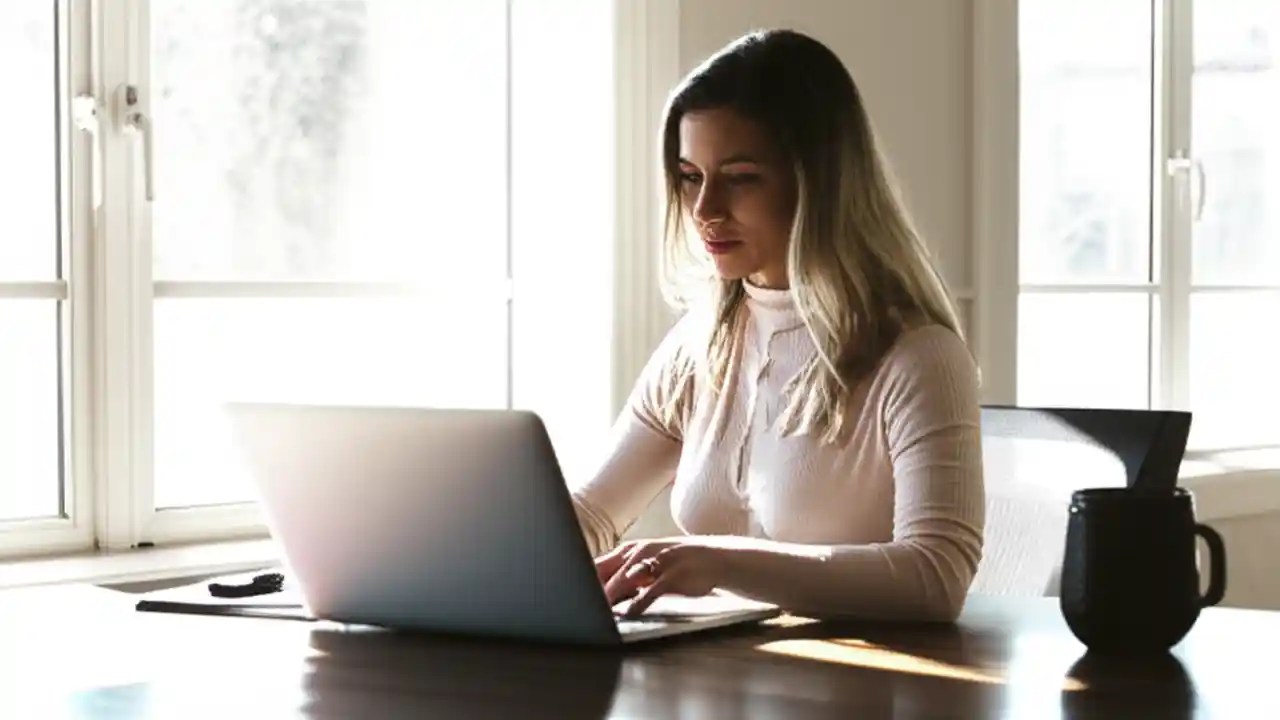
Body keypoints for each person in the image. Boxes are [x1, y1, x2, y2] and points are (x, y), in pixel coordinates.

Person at [574, 29, 984, 622]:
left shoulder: (920, 358)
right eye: (690, 176)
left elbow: (936, 575)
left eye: (741, 177)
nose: (705, 210)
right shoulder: (700, 345)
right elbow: (592, 514)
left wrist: (719, 562)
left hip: (867, 675)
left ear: (819, 182)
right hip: (723, 672)